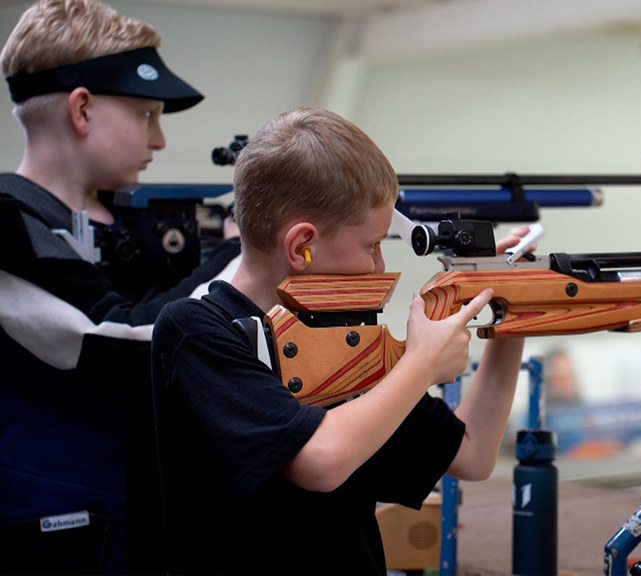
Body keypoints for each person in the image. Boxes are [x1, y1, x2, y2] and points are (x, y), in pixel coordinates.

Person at [151, 107, 528, 574]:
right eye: (372, 244)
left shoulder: (344, 336)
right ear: (301, 246)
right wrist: (421, 365)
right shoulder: (198, 332)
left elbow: (472, 454)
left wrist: (512, 311)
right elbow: (319, 460)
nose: (376, 265)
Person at [0, 1, 240, 573]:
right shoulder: (9, 225)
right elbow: (121, 335)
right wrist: (240, 253)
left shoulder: (134, 223)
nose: (157, 140)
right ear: (82, 109)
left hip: (149, 510)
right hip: (60, 528)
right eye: (146, 114)